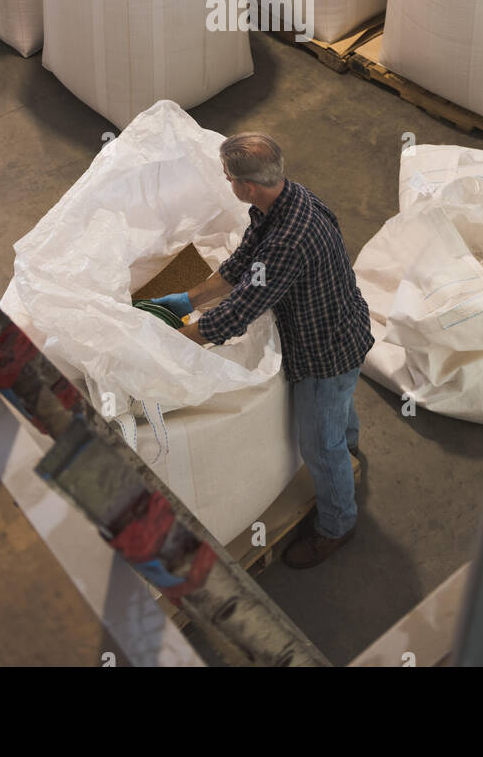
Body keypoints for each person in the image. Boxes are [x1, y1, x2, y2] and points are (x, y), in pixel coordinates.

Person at [152, 133, 373, 569]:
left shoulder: (288, 242)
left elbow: (237, 314)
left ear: (246, 186)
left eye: (228, 177)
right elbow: (242, 266)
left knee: (319, 443)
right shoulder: (286, 200)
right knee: (339, 414)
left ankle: (338, 525)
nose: (227, 183)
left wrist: (168, 341)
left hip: (325, 352)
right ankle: (351, 452)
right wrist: (187, 300)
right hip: (344, 324)